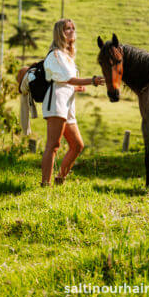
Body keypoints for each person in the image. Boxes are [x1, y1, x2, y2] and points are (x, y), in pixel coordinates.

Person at [41, 18, 104, 186]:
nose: (71, 31)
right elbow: (68, 79)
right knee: (53, 145)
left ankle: (60, 179)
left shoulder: (67, 56)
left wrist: (78, 87)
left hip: (68, 104)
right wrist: (91, 80)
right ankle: (45, 185)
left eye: (73, 28)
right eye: (67, 28)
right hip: (56, 102)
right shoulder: (55, 54)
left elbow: (67, 81)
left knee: (77, 145)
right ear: (60, 33)